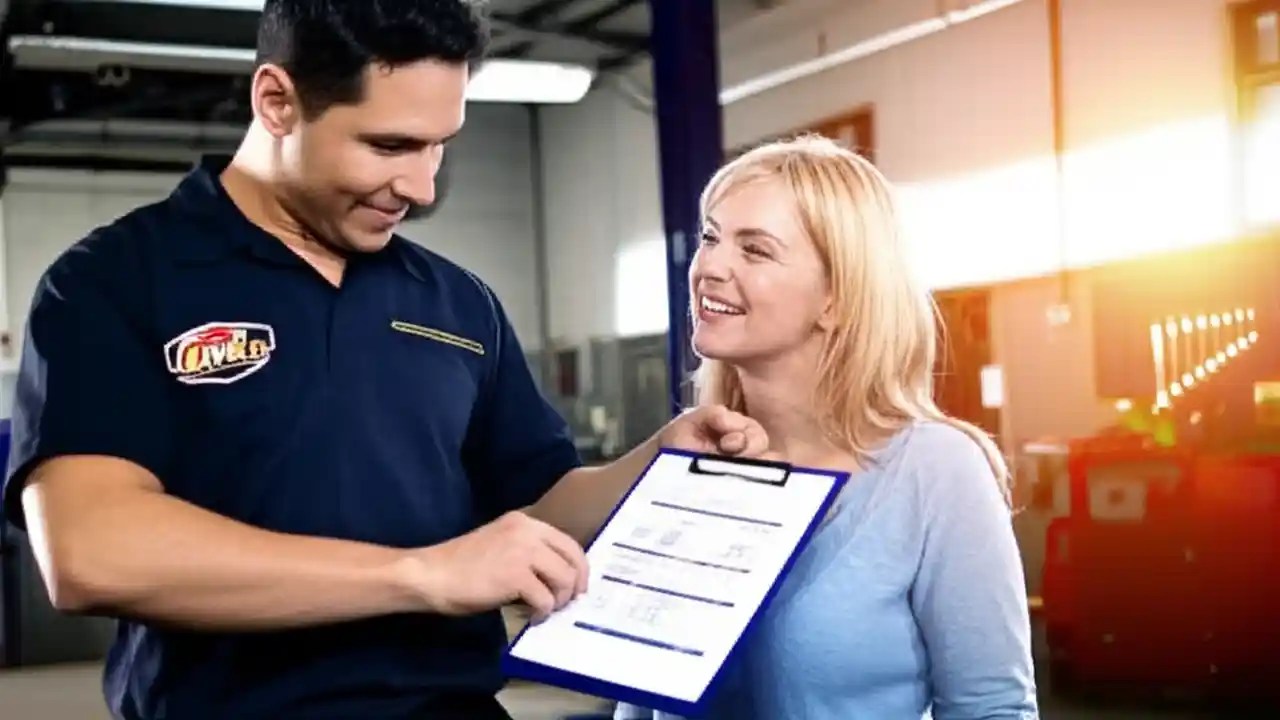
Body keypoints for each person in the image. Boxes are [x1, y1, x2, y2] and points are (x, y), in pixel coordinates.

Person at [0, 2, 768, 719]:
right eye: (389, 145)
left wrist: (654, 461)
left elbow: (534, 509)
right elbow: (91, 550)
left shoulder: (458, 305)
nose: (423, 185)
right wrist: (421, 576)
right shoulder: (117, 281)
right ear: (277, 102)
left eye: (440, 145)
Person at [615, 135, 1039, 719]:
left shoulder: (935, 472)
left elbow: (993, 708)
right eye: (711, 237)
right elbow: (639, 699)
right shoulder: (688, 457)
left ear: (837, 297)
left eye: (755, 250)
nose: (709, 265)